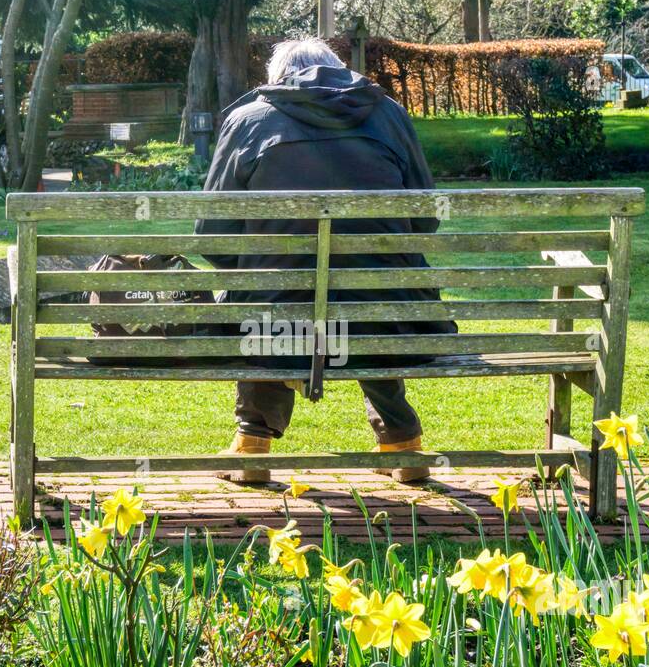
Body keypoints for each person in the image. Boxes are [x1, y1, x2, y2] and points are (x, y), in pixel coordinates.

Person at [195, 38, 455, 483]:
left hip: (276, 326)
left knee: (268, 296)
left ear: (277, 80)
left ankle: (252, 444)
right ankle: (401, 441)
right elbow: (425, 218)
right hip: (388, 318)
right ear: (339, 73)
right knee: (370, 292)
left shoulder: (248, 121)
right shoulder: (389, 115)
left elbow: (213, 237)